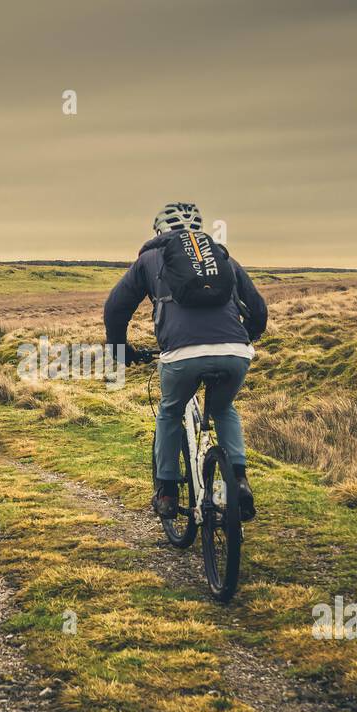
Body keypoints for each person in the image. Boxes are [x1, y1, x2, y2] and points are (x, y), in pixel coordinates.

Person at [103, 202, 267, 520]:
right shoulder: (221, 257)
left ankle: (166, 490)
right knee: (223, 408)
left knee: (169, 411)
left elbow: (116, 308)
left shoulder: (150, 259)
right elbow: (258, 308)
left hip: (181, 355)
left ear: (159, 231)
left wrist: (121, 351)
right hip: (235, 352)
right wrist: (245, 337)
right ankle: (239, 480)